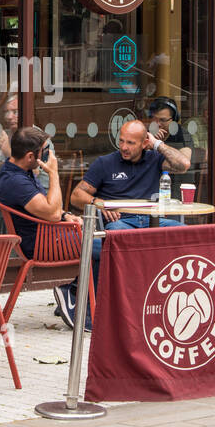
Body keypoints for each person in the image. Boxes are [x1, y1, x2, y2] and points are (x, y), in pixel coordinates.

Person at [64, 119, 193, 329]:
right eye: (121, 141)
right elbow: (76, 196)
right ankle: (96, 305)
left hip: (153, 222)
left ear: (144, 143)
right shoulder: (105, 163)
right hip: (121, 222)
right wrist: (99, 203)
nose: (124, 147)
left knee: (186, 235)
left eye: (131, 143)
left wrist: (158, 145)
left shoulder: (154, 159)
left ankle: (175, 306)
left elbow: (183, 164)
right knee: (115, 239)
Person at [0, 125, 80, 261]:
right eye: (44, 151)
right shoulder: (15, 181)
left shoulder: (21, 170)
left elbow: (48, 206)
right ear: (30, 156)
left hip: (50, 236)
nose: (49, 155)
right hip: (42, 244)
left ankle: (76, 283)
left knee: (102, 240)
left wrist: (66, 215)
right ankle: (80, 283)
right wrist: (53, 173)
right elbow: (53, 215)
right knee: (107, 246)